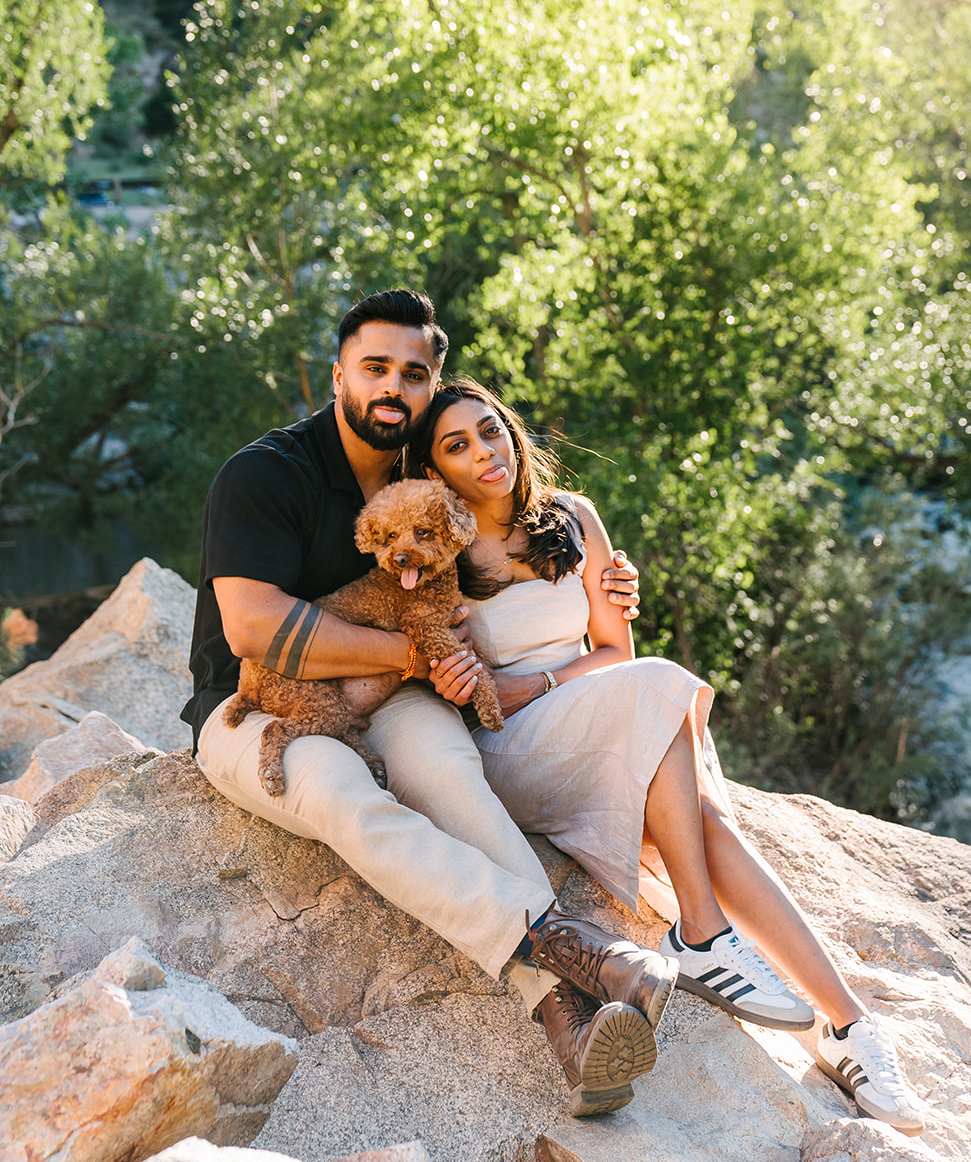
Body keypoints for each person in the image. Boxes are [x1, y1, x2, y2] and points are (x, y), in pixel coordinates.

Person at [182, 289, 678, 1118]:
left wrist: (607, 578)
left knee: (453, 782)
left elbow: (514, 542)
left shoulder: (422, 474)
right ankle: (570, 960)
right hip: (255, 708)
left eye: (414, 374)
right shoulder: (265, 475)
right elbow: (253, 627)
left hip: (393, 695)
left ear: (432, 381)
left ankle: (577, 1031)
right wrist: (415, 652)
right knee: (341, 793)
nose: (393, 387)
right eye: (374, 367)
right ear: (339, 371)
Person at [407, 379, 926, 1138]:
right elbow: (448, 668)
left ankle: (845, 1029)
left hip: (592, 709)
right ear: (434, 471)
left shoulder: (574, 518)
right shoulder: (438, 552)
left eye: (490, 431)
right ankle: (703, 934)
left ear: (513, 432)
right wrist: (474, 684)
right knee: (654, 693)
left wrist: (537, 681)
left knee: (705, 817)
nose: (483, 452)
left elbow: (617, 649)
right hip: (512, 750)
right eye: (456, 446)